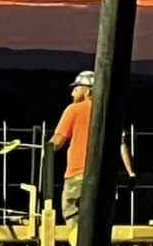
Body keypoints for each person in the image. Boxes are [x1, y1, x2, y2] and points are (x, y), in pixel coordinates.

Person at [50, 71, 135, 225]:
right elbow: (122, 144)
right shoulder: (111, 111)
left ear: (88, 91)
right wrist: (131, 172)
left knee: (72, 214)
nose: (72, 93)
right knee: (99, 218)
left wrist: (44, 151)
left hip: (78, 173)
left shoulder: (73, 110)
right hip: (105, 175)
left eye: (76, 88)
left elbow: (57, 143)